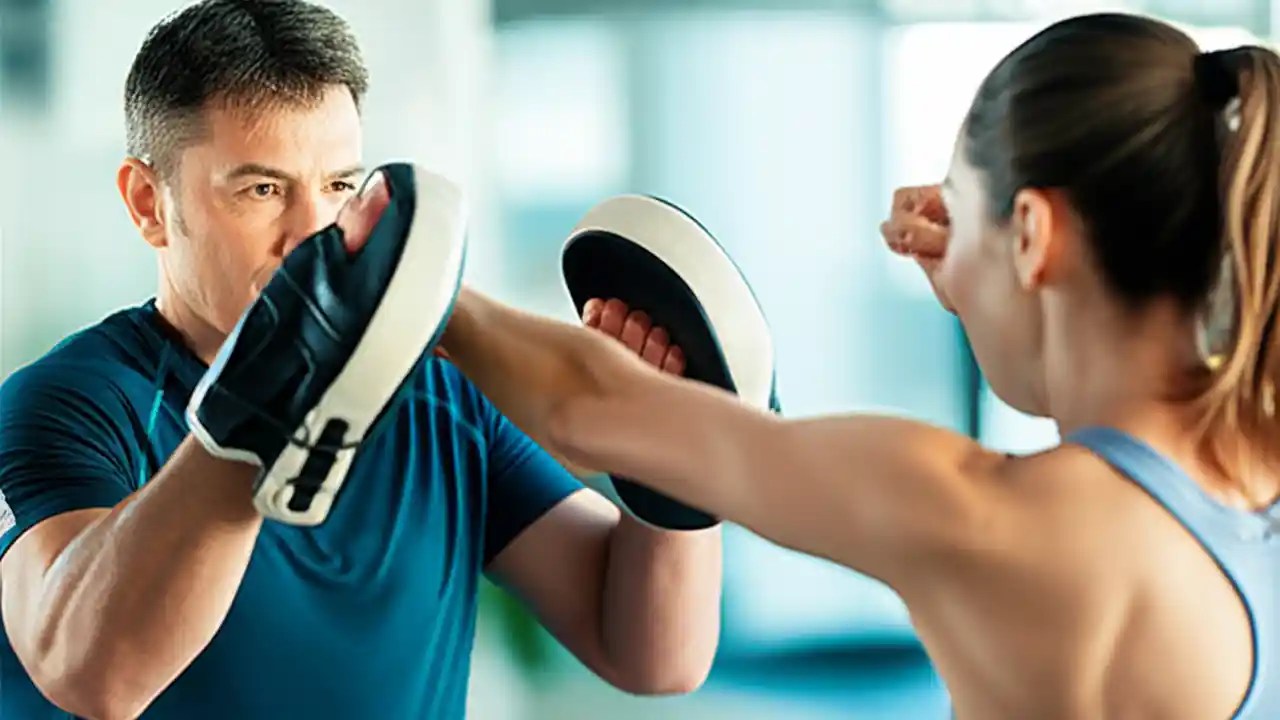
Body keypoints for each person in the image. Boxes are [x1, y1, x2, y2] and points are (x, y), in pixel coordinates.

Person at [437, 12, 1280, 719]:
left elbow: (590, 407)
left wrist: (418, 280)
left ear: (1033, 238)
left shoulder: (986, 518)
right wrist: (994, 268)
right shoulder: (1253, 485)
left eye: (970, 213)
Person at [0, 2, 722, 718]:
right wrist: (261, 405)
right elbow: (92, 675)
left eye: (340, 187)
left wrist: (669, 462)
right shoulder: (75, 401)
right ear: (148, 204)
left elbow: (653, 654)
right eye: (262, 189)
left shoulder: (442, 397)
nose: (313, 235)